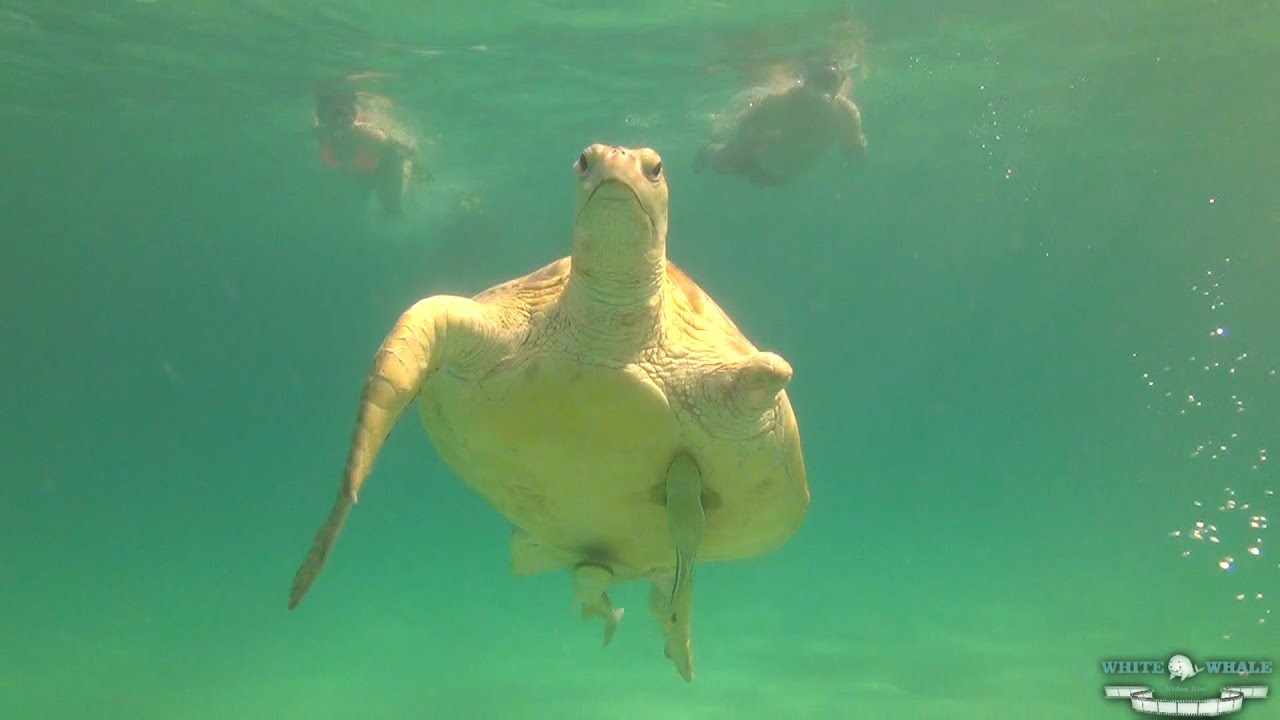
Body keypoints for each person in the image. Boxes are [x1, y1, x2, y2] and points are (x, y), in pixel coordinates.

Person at [692, 58, 868, 187]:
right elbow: (747, 126)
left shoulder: (846, 113)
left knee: (764, 182)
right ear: (806, 81)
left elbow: (854, 146)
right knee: (724, 165)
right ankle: (709, 149)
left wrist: (856, 152)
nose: (821, 94)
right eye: (819, 82)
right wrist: (758, 138)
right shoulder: (781, 102)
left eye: (829, 83)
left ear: (839, 84)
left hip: (783, 171)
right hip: (757, 157)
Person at [313, 78, 429, 215]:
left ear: (352, 116)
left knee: (392, 209)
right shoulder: (321, 134)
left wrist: (417, 168)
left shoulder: (367, 137)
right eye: (333, 116)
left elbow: (400, 148)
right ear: (322, 116)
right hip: (360, 175)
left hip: (384, 170)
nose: (338, 122)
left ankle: (394, 212)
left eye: (343, 115)